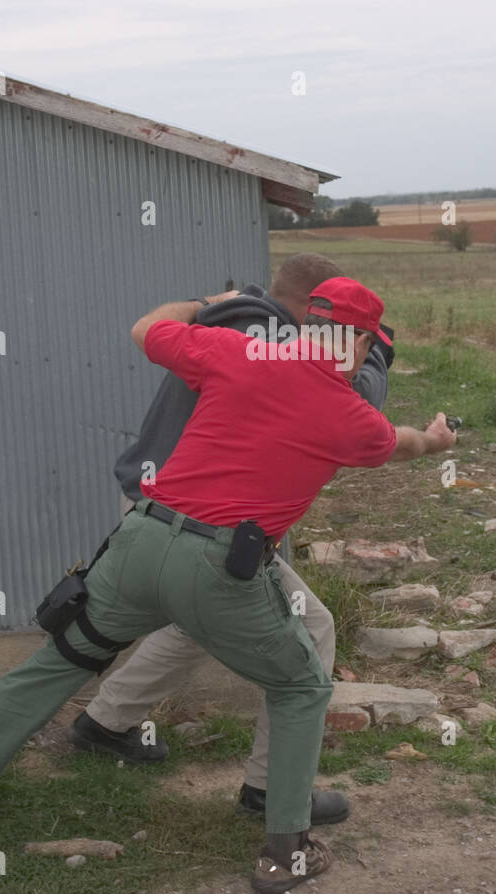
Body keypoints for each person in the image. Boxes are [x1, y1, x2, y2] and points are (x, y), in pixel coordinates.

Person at [0, 277, 456, 894]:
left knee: (64, 658)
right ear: (354, 341)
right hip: (220, 567)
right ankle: (285, 849)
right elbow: (398, 443)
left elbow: (145, 329)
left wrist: (202, 307)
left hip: (139, 541)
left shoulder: (238, 352)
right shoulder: (350, 416)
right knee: (300, 684)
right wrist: (436, 441)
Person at [69, 253, 392, 830]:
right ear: (316, 311)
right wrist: (379, 355)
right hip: (198, 521)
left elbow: (149, 330)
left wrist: (195, 305)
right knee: (312, 627)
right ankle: (272, 793)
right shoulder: (270, 337)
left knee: (194, 622)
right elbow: (358, 411)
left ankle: (103, 723)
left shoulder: (232, 320)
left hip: (156, 508)